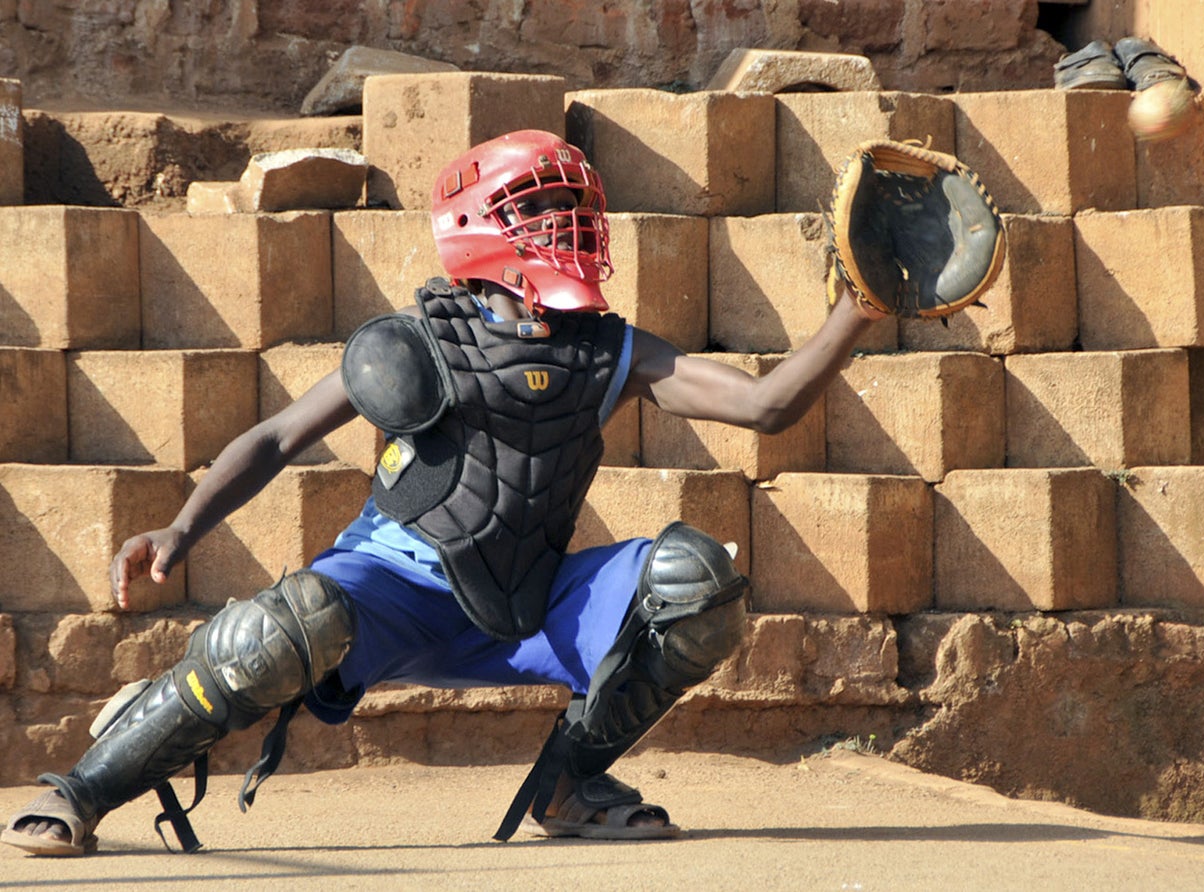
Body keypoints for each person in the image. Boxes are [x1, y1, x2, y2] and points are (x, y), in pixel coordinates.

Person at [1, 129, 877, 856]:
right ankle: (83, 791)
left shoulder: (611, 350)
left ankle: (571, 788)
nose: (569, 219)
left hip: (526, 601)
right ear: (477, 222)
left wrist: (860, 309)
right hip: (388, 595)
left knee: (695, 585)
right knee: (286, 623)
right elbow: (277, 436)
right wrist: (182, 526)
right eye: (541, 204)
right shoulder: (419, 338)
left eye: (576, 204)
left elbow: (767, 406)